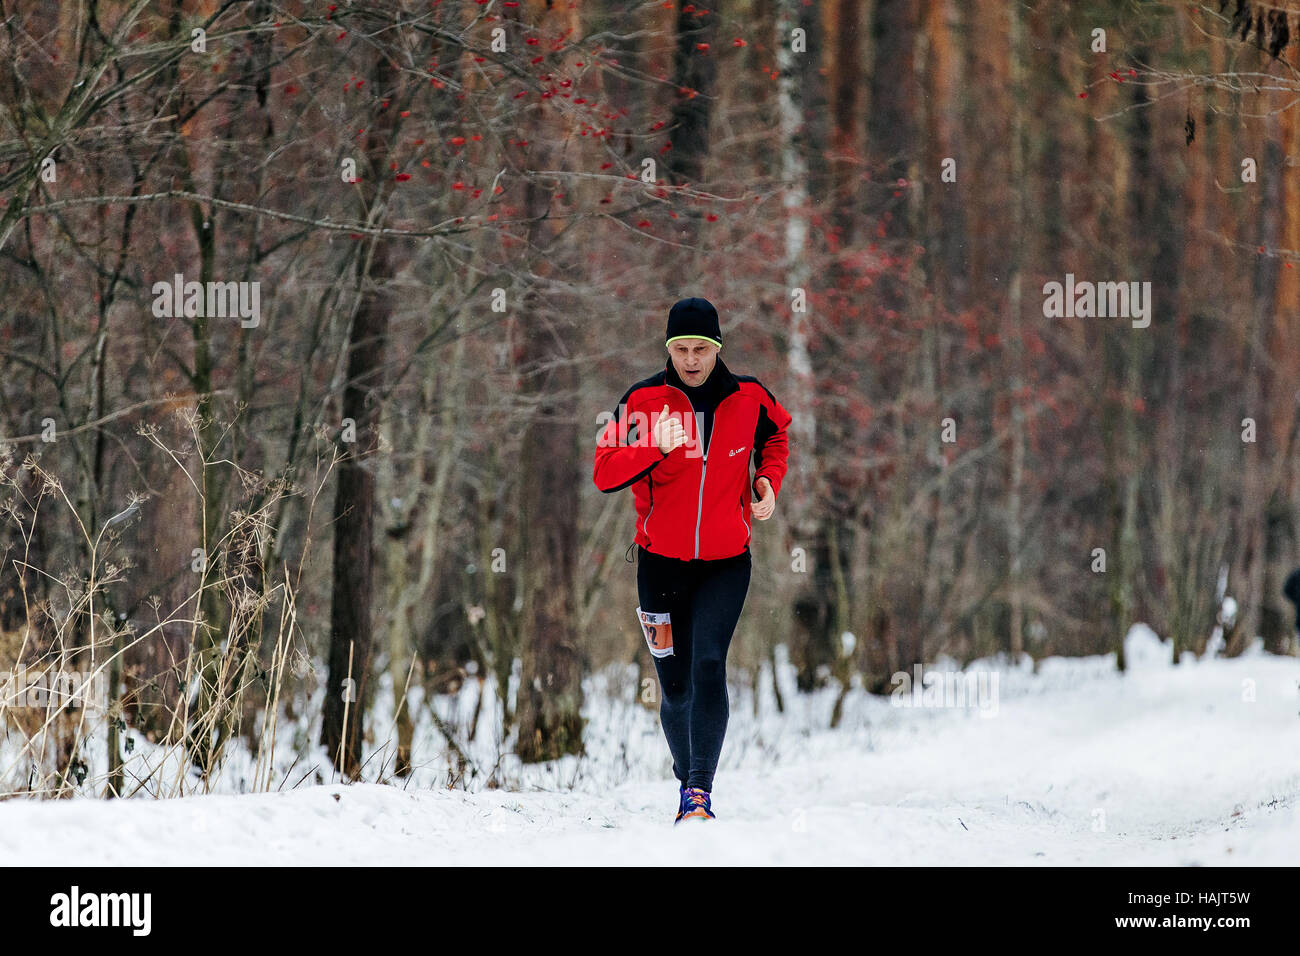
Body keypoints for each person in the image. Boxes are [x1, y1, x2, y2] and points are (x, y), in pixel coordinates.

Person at [592, 297, 793, 824]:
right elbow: (605, 471)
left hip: (727, 562)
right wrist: (652, 446)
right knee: (675, 682)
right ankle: (689, 779)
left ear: (717, 347)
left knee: (708, 665)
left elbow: (776, 436)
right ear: (668, 349)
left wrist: (768, 481)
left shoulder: (750, 398)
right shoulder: (640, 401)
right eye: (680, 349)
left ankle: (699, 792)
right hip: (658, 564)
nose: (690, 360)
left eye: (700, 349)